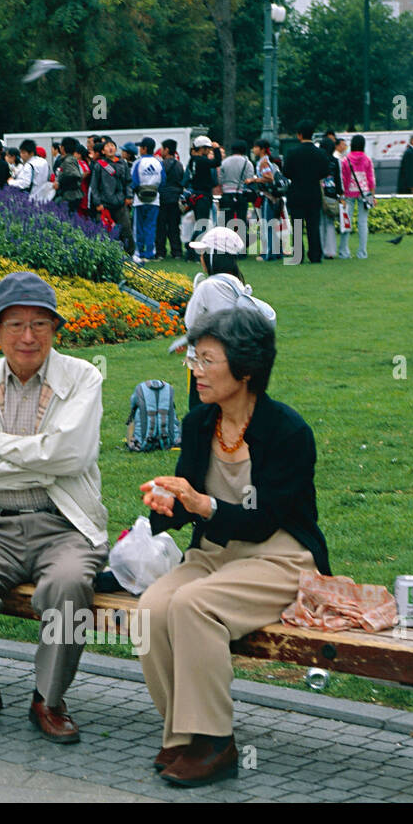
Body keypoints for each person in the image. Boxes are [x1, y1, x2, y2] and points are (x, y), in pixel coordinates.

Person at [139, 308, 329, 786]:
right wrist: (168, 503)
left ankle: (216, 743)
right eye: (193, 360)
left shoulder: (288, 432)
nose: (195, 371)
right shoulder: (200, 422)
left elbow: (266, 519)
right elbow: (189, 506)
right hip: (216, 551)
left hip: (281, 555)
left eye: (207, 361)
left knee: (193, 604)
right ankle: (183, 733)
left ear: (244, 369)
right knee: (153, 607)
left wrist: (202, 505)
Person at [0, 272, 108, 740]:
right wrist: (42, 456)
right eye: (14, 325)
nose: (28, 337)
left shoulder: (84, 377)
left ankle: (48, 699)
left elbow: (74, 455)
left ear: (56, 329)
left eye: (39, 324)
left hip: (64, 523)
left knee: (69, 586)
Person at [175, 227, 277, 409]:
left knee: (202, 414)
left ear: (213, 255)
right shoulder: (237, 284)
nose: (201, 258)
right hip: (233, 361)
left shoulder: (207, 286)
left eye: (204, 252)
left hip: (205, 363)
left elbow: (191, 322)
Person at [282, 120, 330, 264]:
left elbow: (286, 172)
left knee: (297, 225)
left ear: (299, 135)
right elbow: (325, 172)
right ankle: (315, 255)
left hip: (296, 192)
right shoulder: (320, 153)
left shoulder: (292, 152)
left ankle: (298, 255)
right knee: (313, 225)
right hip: (314, 192)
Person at [90, 138, 134, 256]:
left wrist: (129, 196)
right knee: (105, 232)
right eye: (107, 146)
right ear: (103, 151)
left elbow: (128, 182)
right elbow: (94, 186)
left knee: (126, 230)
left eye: (112, 145)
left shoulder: (122, 163)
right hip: (104, 205)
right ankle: (107, 255)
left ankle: (129, 255)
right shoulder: (99, 165)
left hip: (120, 203)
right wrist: (98, 202)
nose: (110, 148)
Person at [340, 134, 374, 260]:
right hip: (365, 193)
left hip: (348, 193)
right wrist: (372, 196)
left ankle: (344, 252)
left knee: (346, 222)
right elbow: (371, 179)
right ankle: (362, 252)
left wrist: (342, 194)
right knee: (363, 223)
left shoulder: (345, 160)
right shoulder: (367, 160)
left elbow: (343, 178)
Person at [184, 136, 220, 246]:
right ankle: (192, 247)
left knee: (200, 224)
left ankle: (193, 247)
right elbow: (217, 162)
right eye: (207, 148)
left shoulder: (192, 161)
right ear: (201, 148)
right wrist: (217, 149)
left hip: (196, 195)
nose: (209, 150)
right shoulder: (201, 160)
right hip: (203, 196)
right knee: (202, 225)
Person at [131, 137, 163, 262]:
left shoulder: (138, 163)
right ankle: (150, 252)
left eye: (140, 147)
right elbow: (163, 180)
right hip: (154, 199)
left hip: (140, 199)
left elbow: (133, 181)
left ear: (144, 148)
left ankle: (138, 251)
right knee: (151, 226)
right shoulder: (158, 162)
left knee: (138, 227)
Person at [216, 139, 255, 235]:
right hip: (241, 195)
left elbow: (220, 180)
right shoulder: (247, 163)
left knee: (226, 222)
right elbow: (249, 179)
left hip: (226, 196)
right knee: (241, 222)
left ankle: (226, 246)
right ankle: (240, 245)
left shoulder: (224, 162)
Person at [157, 139, 185, 260]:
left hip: (163, 198)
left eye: (162, 149)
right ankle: (177, 252)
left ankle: (160, 252)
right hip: (175, 199)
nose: (161, 151)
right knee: (174, 227)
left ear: (167, 150)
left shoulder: (161, 165)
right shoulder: (179, 165)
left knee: (161, 227)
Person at [317, 136, 341, 259]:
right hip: (331, 193)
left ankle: (320, 249)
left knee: (320, 223)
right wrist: (340, 194)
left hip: (320, 193)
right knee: (330, 223)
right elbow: (338, 179)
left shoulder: (318, 161)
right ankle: (330, 251)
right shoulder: (335, 161)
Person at [55, 137, 83, 217]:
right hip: (71, 196)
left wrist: (59, 183)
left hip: (70, 196)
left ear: (62, 148)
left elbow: (74, 175)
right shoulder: (69, 159)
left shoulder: (68, 161)